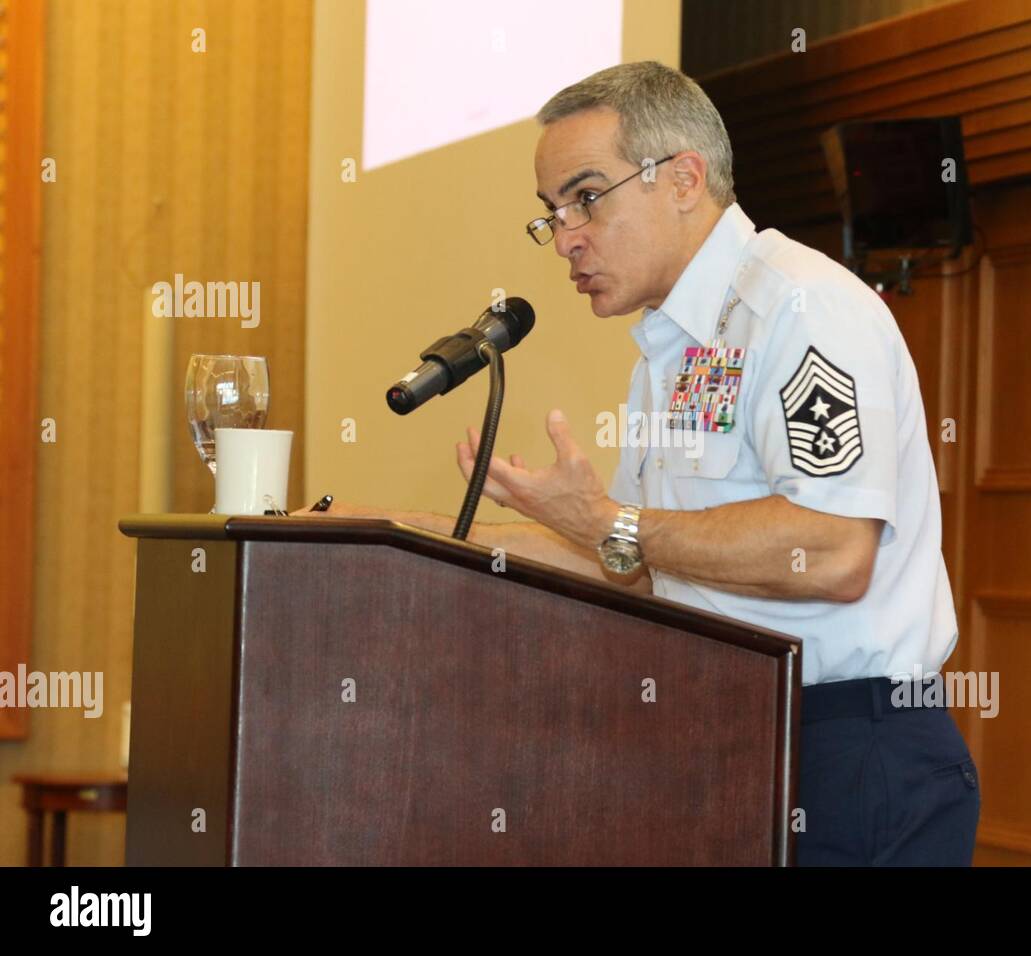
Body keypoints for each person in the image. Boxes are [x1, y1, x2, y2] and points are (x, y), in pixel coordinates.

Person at [300, 60, 978, 866]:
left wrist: (610, 522)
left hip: (846, 748)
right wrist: (401, 531)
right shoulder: (669, 349)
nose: (566, 237)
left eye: (586, 198)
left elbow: (834, 551)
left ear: (684, 178)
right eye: (551, 213)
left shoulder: (799, 307)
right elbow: (639, 567)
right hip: (724, 743)